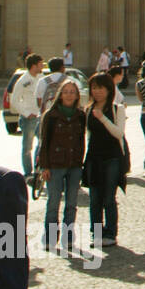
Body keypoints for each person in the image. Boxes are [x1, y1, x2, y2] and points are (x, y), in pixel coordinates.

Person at [37, 78, 87, 254]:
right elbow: (44, 142)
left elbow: (82, 140)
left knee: (71, 203)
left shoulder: (80, 115)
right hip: (55, 164)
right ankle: (50, 237)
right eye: (66, 92)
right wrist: (44, 167)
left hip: (74, 164)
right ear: (60, 94)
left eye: (72, 92)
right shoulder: (51, 115)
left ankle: (68, 237)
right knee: (53, 202)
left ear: (77, 95)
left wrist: (81, 162)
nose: (69, 95)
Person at [83, 72, 126, 249]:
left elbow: (119, 133)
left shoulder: (117, 109)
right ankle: (96, 233)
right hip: (94, 157)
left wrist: (103, 118)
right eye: (94, 88)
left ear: (108, 89)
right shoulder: (88, 110)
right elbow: (87, 135)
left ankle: (110, 233)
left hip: (112, 157)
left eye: (101, 88)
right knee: (94, 199)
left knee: (109, 198)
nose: (97, 91)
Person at [11, 54, 44, 186]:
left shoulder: (41, 78)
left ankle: (37, 171)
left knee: (41, 144)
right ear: (34, 66)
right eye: (40, 64)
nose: (42, 67)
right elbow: (14, 100)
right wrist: (26, 113)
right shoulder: (23, 80)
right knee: (27, 147)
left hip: (39, 116)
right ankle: (28, 174)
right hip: (28, 118)